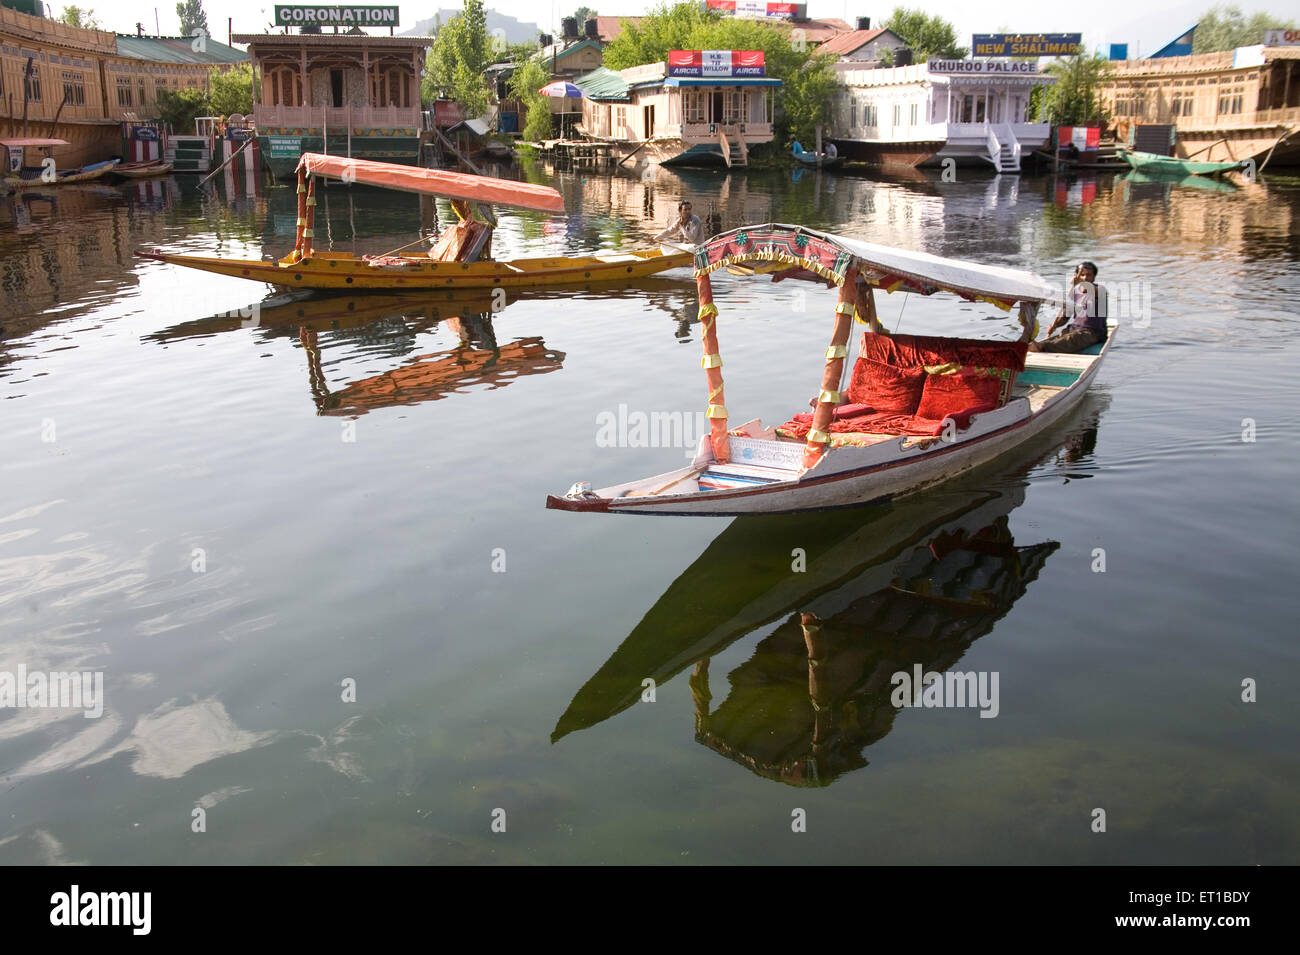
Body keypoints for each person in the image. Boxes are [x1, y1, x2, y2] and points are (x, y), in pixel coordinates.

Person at [1029, 261, 1108, 353]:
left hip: (1092, 332)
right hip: (1074, 329)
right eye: (1082, 275)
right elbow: (1065, 317)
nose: (1085, 278)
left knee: (1070, 339)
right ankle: (1038, 347)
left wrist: (1081, 282)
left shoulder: (1100, 290)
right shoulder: (1074, 292)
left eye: (1088, 275)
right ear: (1077, 276)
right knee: (1061, 337)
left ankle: (1039, 347)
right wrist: (1054, 326)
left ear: (1094, 277)